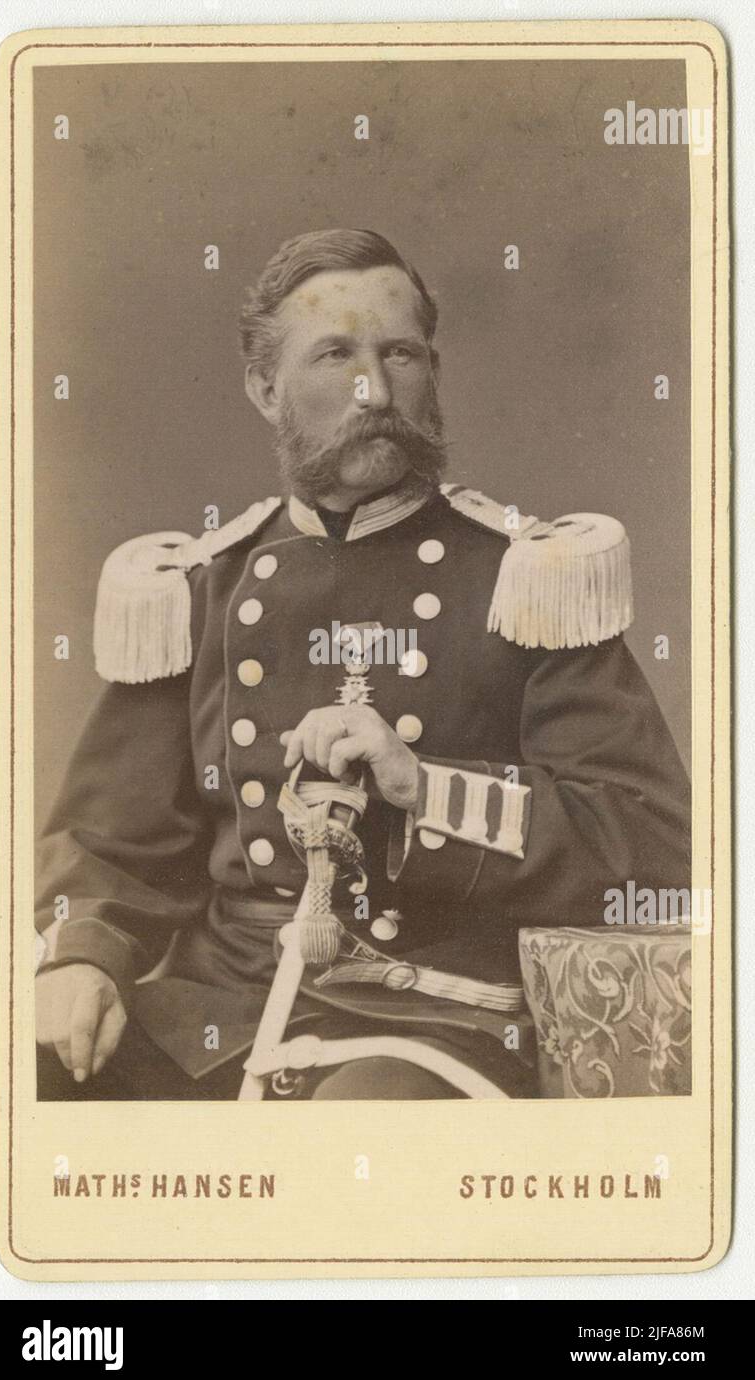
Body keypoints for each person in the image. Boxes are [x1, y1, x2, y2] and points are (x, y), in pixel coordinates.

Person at [34, 227, 691, 1101]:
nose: (373, 390)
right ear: (264, 388)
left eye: (401, 354)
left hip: (435, 1013)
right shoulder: (199, 588)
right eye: (334, 354)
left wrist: (422, 787)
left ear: (433, 373)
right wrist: (81, 959)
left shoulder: (528, 580)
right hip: (221, 1005)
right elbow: (110, 842)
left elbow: (644, 846)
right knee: (26, 1075)